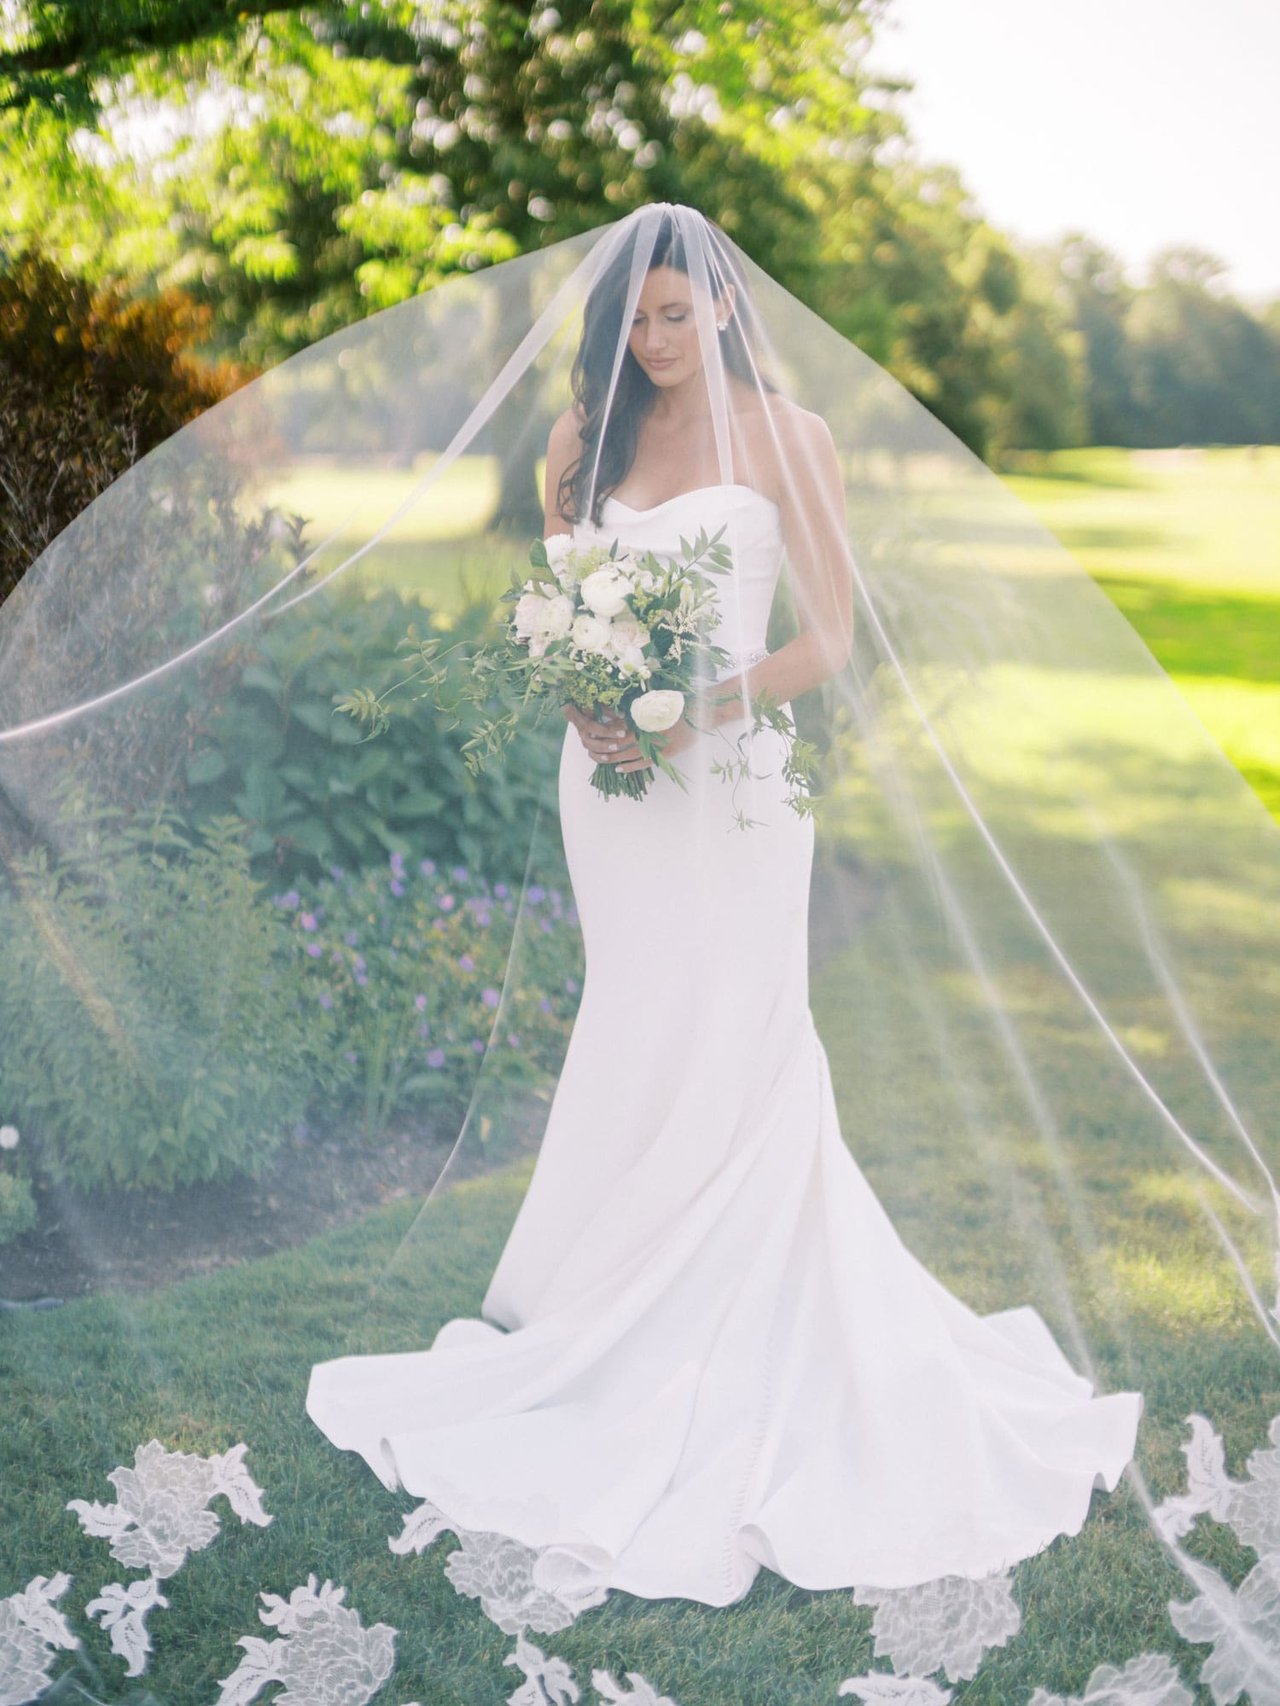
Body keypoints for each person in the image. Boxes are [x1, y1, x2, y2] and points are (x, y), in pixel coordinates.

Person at [305, 205, 1144, 1609]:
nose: (656, 338)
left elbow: (830, 636)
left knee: (741, 1044)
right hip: (612, 788)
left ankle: (738, 1331)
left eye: (677, 315)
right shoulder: (580, 440)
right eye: (636, 318)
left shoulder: (790, 438)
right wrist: (588, 700)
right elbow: (559, 607)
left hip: (737, 789)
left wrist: (699, 704)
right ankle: (604, 1315)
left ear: (723, 310)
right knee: (637, 1026)